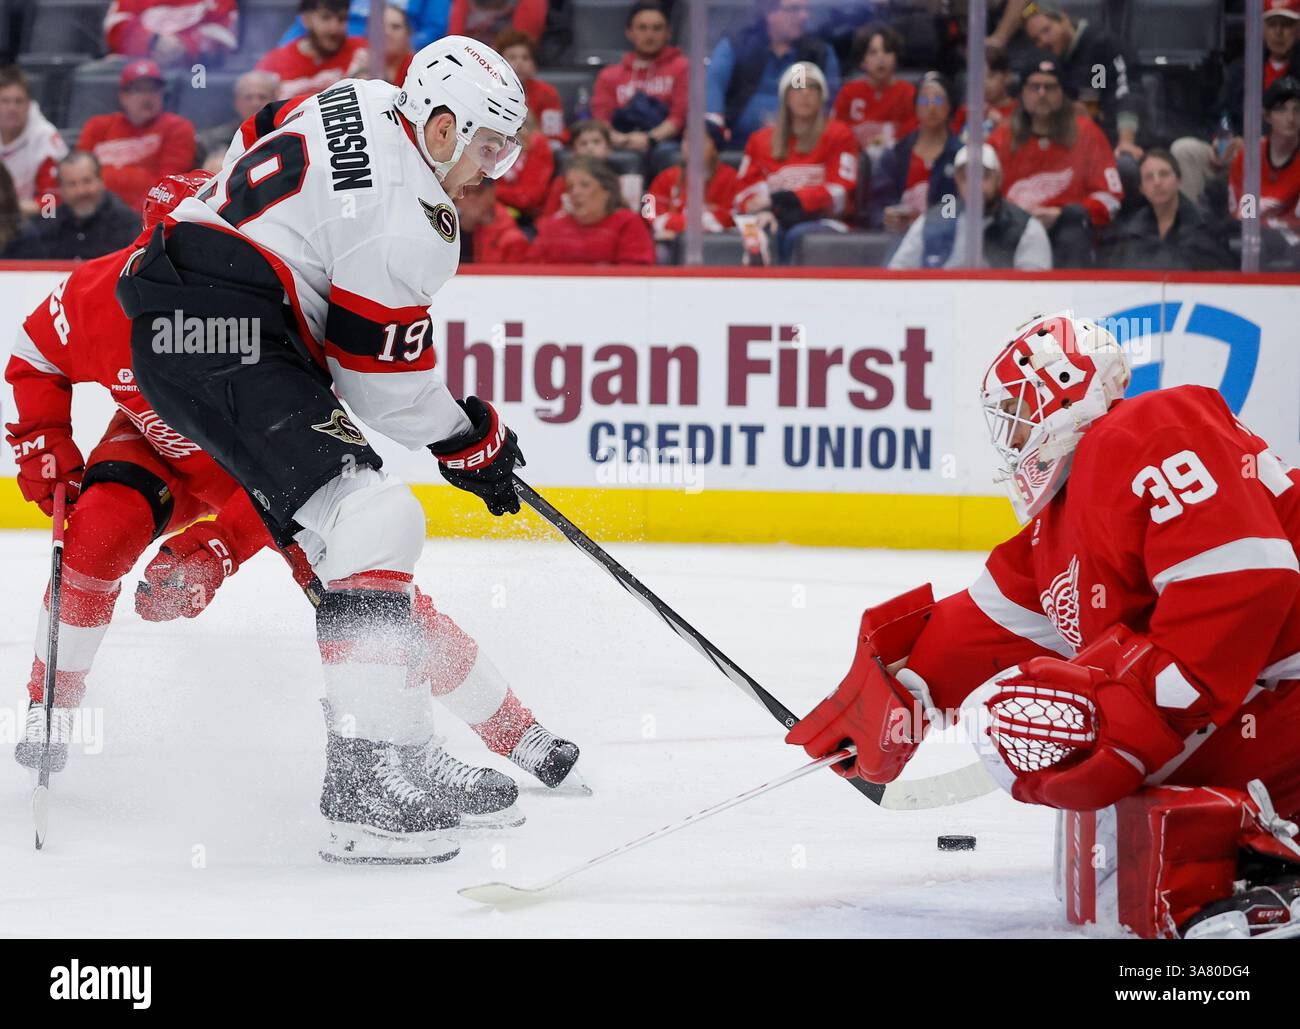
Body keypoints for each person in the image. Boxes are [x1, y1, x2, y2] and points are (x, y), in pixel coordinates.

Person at [7, 170, 577, 829]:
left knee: (368, 588)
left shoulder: (278, 300)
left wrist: (216, 548)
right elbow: (36, 351)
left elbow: (300, 462)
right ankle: (50, 706)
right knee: (97, 533)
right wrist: (43, 447)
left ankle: (502, 732)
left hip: (257, 462)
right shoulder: (100, 293)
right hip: (153, 445)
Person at [114, 37, 548, 863]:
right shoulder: (413, 220)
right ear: (444, 127)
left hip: (198, 314)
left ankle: (404, 750)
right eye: (489, 147)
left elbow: (257, 129)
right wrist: (470, 438)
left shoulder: (363, 95)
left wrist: (250, 236)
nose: (491, 171)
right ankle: (364, 780)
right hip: (224, 332)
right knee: (378, 519)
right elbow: (382, 385)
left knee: (345, 543)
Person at [787, 310, 1300, 939]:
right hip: (1271, 690)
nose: (1012, 434)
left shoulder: (1148, 426)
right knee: (1052, 733)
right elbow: (981, 628)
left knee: (1084, 730)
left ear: (1063, 386)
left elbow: (1243, 581)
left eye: (1017, 411)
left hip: (1285, 684)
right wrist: (898, 694)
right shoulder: (1056, 531)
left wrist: (1139, 714)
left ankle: (1271, 859)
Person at [988, 59, 1121, 268]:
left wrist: (1064, 214)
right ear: (1022, 92)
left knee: (1072, 231)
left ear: (1062, 93)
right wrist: (1017, 218)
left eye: (1049, 87)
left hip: (1069, 232)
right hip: (1014, 230)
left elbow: (1110, 197)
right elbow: (981, 193)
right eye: (1034, 87)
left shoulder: (1087, 134)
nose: (1042, 94)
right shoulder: (1001, 138)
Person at [1174, 0, 1300, 206]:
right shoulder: (1242, 69)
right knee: (1185, 149)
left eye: (1286, 25)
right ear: (1262, 28)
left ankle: (1265, 219)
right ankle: (1192, 222)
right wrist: (1223, 138)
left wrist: (1256, 144)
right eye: (1272, 25)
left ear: (1298, 29)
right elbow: (1222, 113)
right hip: (1238, 154)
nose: (1278, 33)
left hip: (1286, 157)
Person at [733, 61, 857, 264]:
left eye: (812, 87)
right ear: (785, 96)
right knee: (760, 236)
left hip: (825, 222)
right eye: (798, 87)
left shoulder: (839, 134)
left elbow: (842, 191)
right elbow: (744, 195)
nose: (805, 93)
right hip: (776, 220)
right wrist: (764, 212)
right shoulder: (760, 140)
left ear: (822, 96)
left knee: (797, 236)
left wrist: (789, 199)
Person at [887, 143, 1051, 270]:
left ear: (999, 179)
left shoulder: (1026, 228)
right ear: (957, 181)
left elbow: (1036, 290)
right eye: (966, 177)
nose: (975, 185)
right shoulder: (931, 222)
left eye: (984, 176)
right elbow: (898, 274)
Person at [1021, 0, 1144, 166]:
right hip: (1067, 144)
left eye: (1046, 30)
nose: (1043, 41)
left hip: (1111, 139)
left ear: (1064, 19)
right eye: (1036, 40)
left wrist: (1126, 142)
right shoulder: (1048, 64)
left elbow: (1126, 93)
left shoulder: (1101, 45)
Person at [706, 0, 841, 148]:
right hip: (737, 147)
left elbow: (829, 103)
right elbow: (713, 85)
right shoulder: (737, 45)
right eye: (794, 9)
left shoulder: (817, 53)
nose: (804, 16)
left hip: (801, 149)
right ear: (770, 12)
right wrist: (715, 125)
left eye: (805, 9)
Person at [78, 59, 197, 213]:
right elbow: (78, 176)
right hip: (95, 214)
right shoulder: (97, 127)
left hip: (148, 216)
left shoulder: (177, 128)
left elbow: (167, 188)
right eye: (139, 90)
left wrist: (132, 217)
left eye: (153, 89)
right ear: (123, 96)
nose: (147, 97)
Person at [1101, 149, 1230, 271]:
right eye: (1149, 177)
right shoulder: (1130, 233)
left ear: (1178, 180)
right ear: (1141, 189)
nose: (1157, 182)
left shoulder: (1206, 226)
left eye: (1164, 174)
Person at [591, 2, 688, 160]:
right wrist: (622, 140)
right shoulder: (609, 75)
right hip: (620, 140)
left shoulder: (682, 68)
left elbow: (679, 117)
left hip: (666, 142)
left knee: (667, 153)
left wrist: (650, 139)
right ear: (629, 33)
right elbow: (601, 119)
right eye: (642, 28)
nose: (649, 35)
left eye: (657, 28)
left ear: (668, 33)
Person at [869, 71, 960, 234]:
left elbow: (963, 208)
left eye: (938, 100)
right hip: (900, 237)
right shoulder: (895, 155)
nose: (931, 107)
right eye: (924, 100)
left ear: (949, 106)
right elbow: (877, 205)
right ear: (916, 107)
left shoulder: (960, 156)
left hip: (946, 237)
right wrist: (886, 218)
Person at [5, 153, 139, 259]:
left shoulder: (128, 224)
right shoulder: (46, 225)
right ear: (60, 189)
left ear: (101, 181)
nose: (81, 191)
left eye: (87, 181)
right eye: (71, 184)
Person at [528, 154, 655, 264]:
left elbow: (635, 273)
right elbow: (531, 268)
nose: (575, 192)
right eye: (570, 187)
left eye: (585, 185)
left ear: (607, 191)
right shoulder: (553, 226)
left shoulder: (628, 222)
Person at [1229, 74, 1300, 266]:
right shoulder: (1249, 157)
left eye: (1297, 110)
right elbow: (1243, 215)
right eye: (1282, 110)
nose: (1291, 118)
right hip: (1255, 242)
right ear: (1267, 116)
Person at [832, 24, 915, 161]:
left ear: (896, 58)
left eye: (887, 51)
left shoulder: (908, 93)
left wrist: (886, 135)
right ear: (863, 61)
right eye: (873, 52)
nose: (881, 58)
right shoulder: (848, 92)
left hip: (898, 160)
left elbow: (914, 135)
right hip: (855, 159)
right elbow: (835, 131)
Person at [645, 118, 738, 239]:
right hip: (669, 244)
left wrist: (674, 226)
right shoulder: (666, 176)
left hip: (714, 244)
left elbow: (728, 220)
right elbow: (649, 212)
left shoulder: (731, 178)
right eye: (687, 139)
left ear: (715, 148)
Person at [257, 0, 369, 100]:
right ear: (306, 19)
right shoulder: (275, 63)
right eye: (326, 18)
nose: (334, 29)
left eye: (341, 19)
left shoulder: (362, 51)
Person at [0, 66, 68, 218]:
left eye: (18, 101)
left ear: (29, 104)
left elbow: (51, 208)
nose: (12, 108)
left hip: (34, 224)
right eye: (5, 101)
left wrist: (8, 207)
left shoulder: (45, 140)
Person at [277, 0, 452, 53]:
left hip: (395, 56)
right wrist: (281, 56)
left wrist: (389, 50)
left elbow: (434, 30)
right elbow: (308, 19)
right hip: (334, 52)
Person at [104, 0, 240, 66]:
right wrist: (152, 41)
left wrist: (185, 45)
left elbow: (226, 37)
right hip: (140, 71)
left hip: (195, 72)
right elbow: (116, 27)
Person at [195, 71, 279, 166]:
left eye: (262, 97)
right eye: (248, 97)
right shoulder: (214, 141)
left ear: (275, 100)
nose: (255, 103)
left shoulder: (286, 135)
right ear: (237, 102)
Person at [495, 29, 564, 141]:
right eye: (512, 57)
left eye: (525, 58)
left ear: (534, 65)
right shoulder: (489, 90)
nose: (519, 63)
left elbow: (553, 133)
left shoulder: (547, 93)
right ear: (499, 64)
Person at [539, 118, 614, 217]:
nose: (590, 147)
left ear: (608, 148)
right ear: (573, 151)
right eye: (583, 143)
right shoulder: (563, 182)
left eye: (596, 142)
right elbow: (547, 218)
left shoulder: (618, 180)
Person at [494, 112, 554, 220]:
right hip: (497, 208)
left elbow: (527, 197)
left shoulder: (538, 145)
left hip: (527, 218)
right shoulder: (494, 142)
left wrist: (492, 190)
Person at [455, 178, 528, 262]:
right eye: (464, 193)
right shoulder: (449, 225)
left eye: (478, 191)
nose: (471, 198)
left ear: (492, 191)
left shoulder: (512, 240)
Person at [951, 52, 1016, 137]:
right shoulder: (966, 111)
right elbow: (954, 140)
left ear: (1007, 76)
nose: (984, 83)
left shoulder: (1018, 111)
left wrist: (1001, 126)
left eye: (990, 76)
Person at [448, 0, 546, 44]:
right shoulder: (462, 4)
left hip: (506, 59)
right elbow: (455, 39)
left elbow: (520, 45)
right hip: (468, 55)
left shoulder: (531, 3)